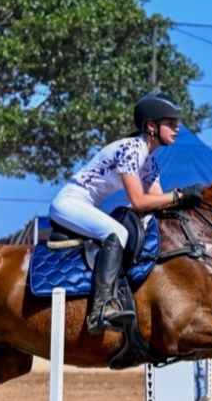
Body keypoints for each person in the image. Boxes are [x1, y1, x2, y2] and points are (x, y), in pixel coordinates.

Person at [49, 92, 199, 335]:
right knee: (117, 232)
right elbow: (140, 202)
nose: (177, 128)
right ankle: (101, 309)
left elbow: (158, 203)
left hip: (87, 205)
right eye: (170, 123)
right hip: (68, 203)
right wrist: (177, 195)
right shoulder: (131, 150)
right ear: (151, 125)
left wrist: (186, 201)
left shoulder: (149, 161)